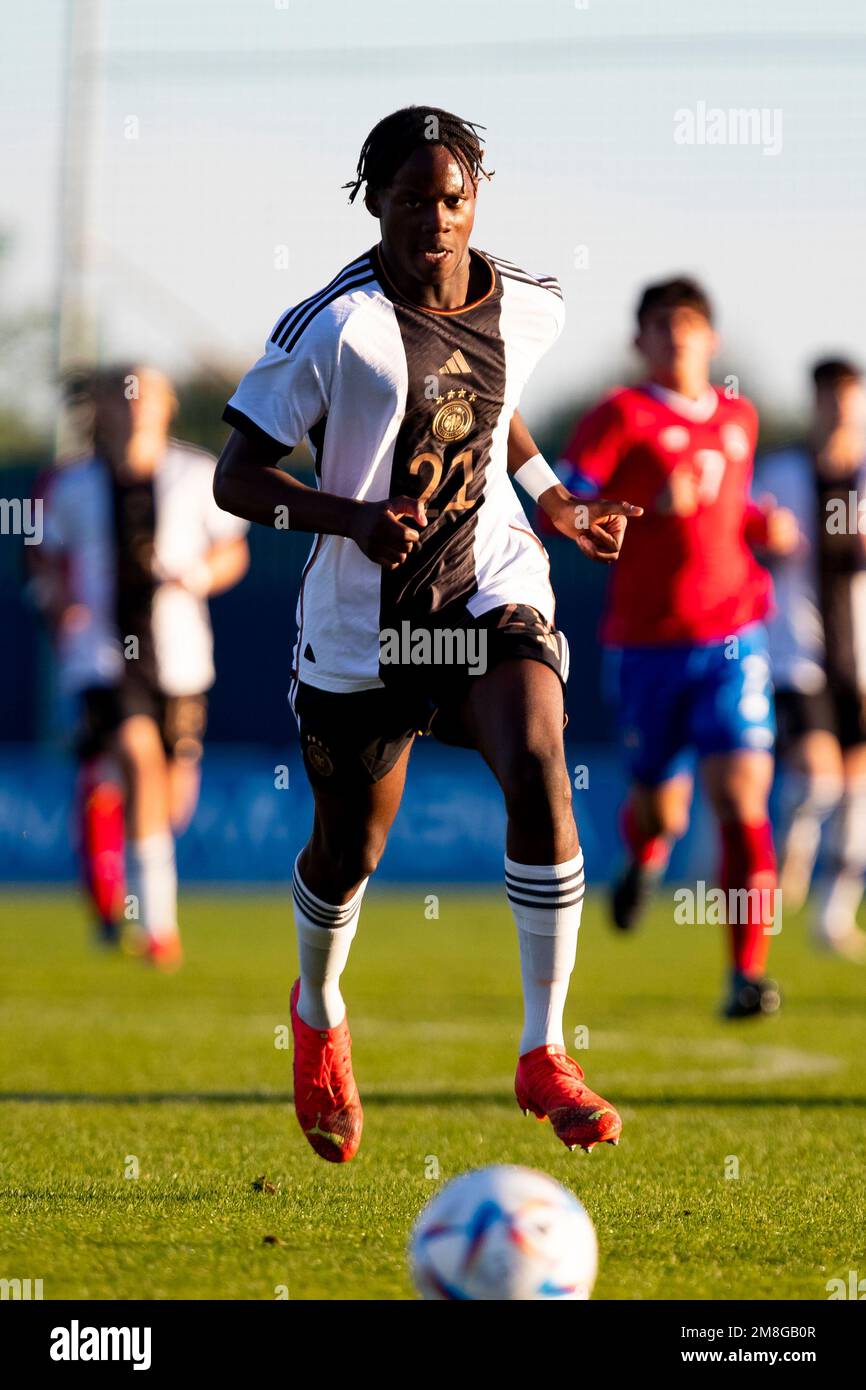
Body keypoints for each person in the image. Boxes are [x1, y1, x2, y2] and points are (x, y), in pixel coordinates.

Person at [215, 105, 640, 1163]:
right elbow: (236, 479)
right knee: (348, 848)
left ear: (476, 199)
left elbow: (498, 414)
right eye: (412, 200)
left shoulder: (530, 305)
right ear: (375, 201)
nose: (435, 220)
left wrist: (552, 502)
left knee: (538, 747)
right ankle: (317, 1013)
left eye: (452, 199)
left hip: (489, 591)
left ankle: (543, 1048)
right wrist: (349, 515)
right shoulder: (333, 325)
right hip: (367, 632)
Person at [553, 277, 798, 1018]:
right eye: (661, 327)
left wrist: (764, 529)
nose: (677, 338)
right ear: (640, 342)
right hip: (647, 643)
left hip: (732, 636)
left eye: (689, 325)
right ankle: (645, 858)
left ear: (710, 339)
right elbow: (568, 495)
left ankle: (745, 975)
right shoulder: (619, 414)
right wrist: (642, 512)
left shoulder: (739, 417)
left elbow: (730, 513)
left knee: (741, 798)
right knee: (664, 810)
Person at [34, 366, 250, 967]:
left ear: (166, 406)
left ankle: (100, 800)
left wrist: (201, 575)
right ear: (103, 409)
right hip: (102, 656)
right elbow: (44, 559)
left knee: (170, 799)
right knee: (139, 759)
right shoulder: (73, 485)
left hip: (178, 658)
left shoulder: (195, 473)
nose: (135, 407)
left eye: (147, 395)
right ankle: (156, 925)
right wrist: (60, 601)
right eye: (123, 396)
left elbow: (233, 550)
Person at [758, 358, 866, 960]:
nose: (841, 410)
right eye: (830, 398)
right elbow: (742, 533)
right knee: (818, 780)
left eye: (850, 398)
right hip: (798, 653)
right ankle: (793, 850)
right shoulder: (782, 473)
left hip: (860, 658)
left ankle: (834, 918)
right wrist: (765, 537)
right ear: (816, 403)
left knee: (857, 793)